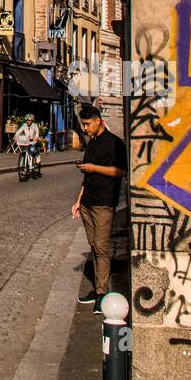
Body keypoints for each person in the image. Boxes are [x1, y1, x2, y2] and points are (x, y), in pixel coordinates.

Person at [72, 103, 128, 313]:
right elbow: (87, 177)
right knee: (94, 245)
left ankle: (101, 294)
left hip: (104, 202)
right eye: (83, 125)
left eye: (87, 124)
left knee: (102, 248)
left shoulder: (115, 143)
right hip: (87, 202)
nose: (85, 128)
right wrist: (79, 200)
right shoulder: (92, 143)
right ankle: (98, 288)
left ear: (98, 121)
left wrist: (94, 168)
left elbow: (120, 171)